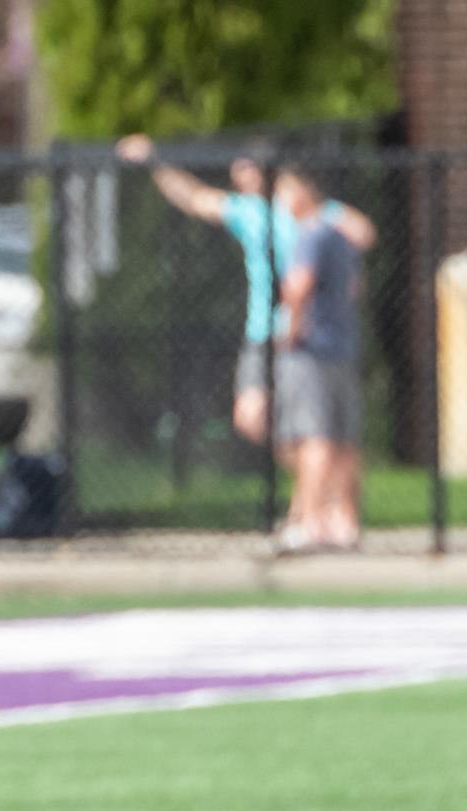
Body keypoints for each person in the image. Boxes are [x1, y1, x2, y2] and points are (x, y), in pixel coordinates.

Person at [115, 134, 374, 447]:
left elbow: (362, 232)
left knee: (314, 428)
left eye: (245, 167)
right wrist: (154, 162)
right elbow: (195, 198)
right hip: (263, 332)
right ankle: (310, 470)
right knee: (251, 418)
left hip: (304, 337)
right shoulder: (247, 211)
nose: (237, 175)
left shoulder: (312, 213)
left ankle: (316, 475)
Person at [275, 165, 365, 551]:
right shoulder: (340, 237)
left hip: (311, 350)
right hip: (342, 346)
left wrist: (291, 330)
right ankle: (345, 521)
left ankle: (311, 523)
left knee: (313, 437)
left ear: (299, 195)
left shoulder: (310, 234)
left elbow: (298, 286)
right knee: (344, 439)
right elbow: (355, 286)